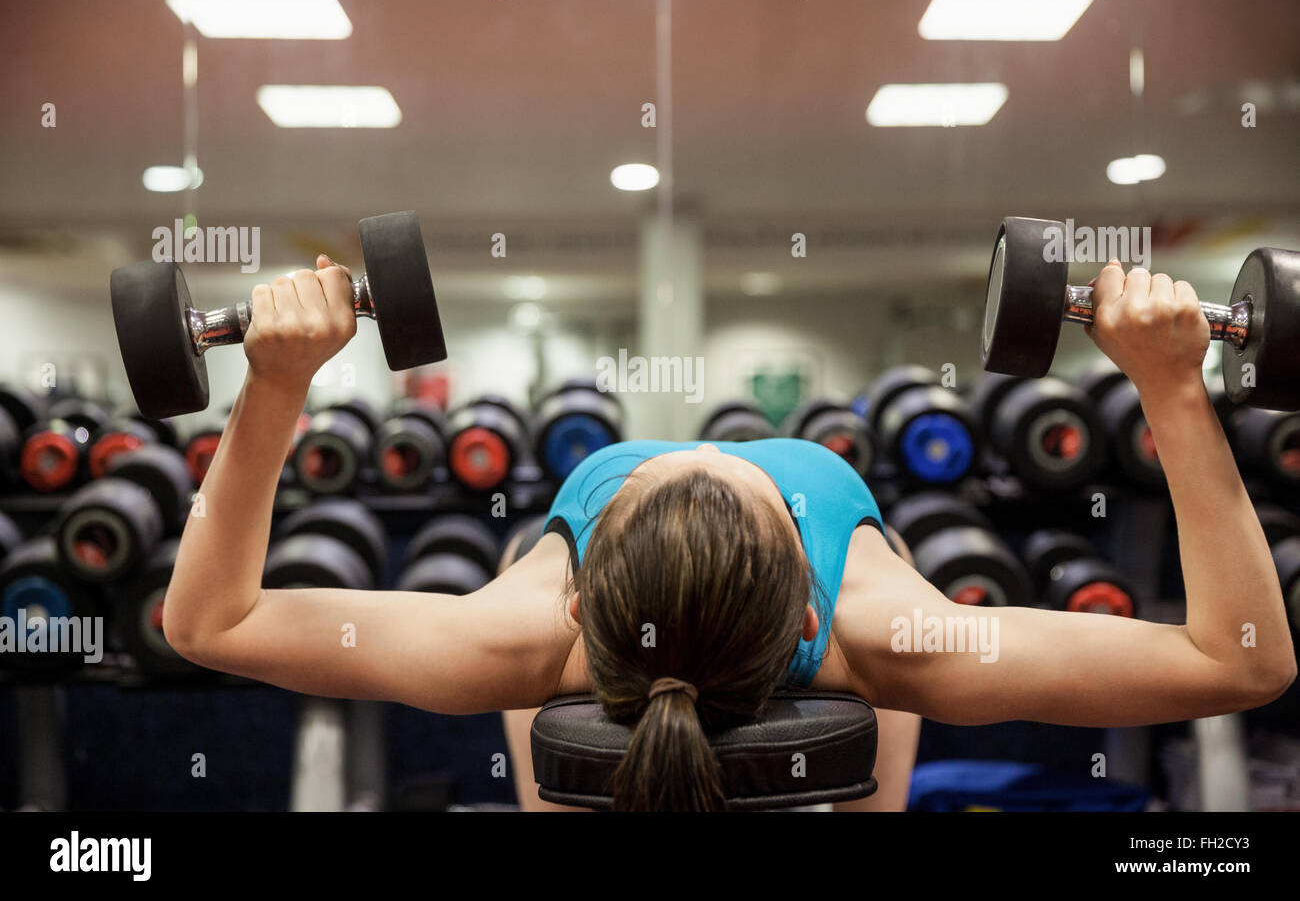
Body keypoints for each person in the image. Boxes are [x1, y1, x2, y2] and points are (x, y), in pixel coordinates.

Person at [164, 257, 1297, 811]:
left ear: (576, 599)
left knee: (544, 725)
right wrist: (1172, 386)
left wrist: (272, 386)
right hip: (861, 683)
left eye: (670, 469)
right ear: (811, 602)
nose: (707, 449)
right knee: (885, 705)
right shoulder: (889, 633)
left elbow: (209, 619)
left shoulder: (516, 638)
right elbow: (1240, 657)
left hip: (581, 686)